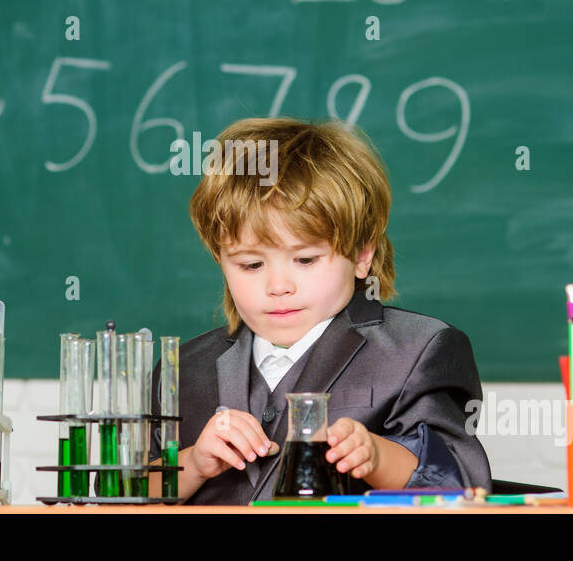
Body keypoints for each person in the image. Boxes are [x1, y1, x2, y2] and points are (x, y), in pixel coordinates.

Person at [151, 118, 492, 504]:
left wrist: (378, 457)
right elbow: (122, 495)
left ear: (362, 254)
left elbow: (463, 485)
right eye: (251, 265)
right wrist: (194, 463)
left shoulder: (419, 351)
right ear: (220, 259)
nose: (278, 286)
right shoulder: (182, 368)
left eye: (306, 259)